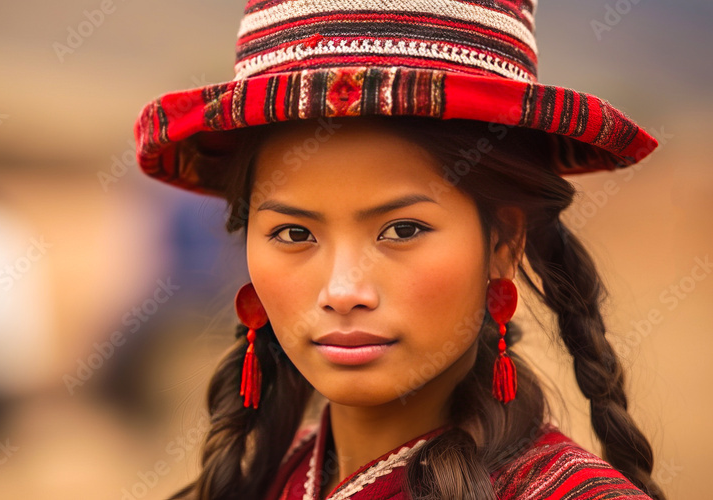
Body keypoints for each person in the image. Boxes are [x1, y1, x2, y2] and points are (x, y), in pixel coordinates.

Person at [132, 1, 664, 499]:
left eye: (403, 230)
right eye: (294, 234)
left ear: (503, 241)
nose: (343, 291)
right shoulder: (271, 481)